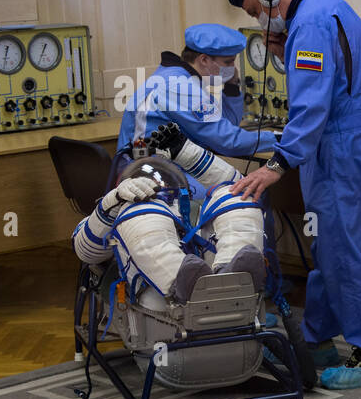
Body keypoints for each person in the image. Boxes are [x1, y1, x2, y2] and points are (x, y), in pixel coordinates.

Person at [224, 0, 361, 389]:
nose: (262, 20)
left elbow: (312, 106)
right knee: (328, 248)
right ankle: (318, 337)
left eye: (254, 10)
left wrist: (278, 163)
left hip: (336, 148)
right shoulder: (329, 7)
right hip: (342, 144)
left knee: (346, 254)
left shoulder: (310, 23)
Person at [75, 124, 264, 304]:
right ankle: (184, 283)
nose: (160, 192)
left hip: (214, 277)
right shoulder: (120, 210)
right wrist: (111, 202)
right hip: (158, 293)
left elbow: (240, 187)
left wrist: (188, 153)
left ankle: (235, 277)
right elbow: (85, 251)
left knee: (238, 197)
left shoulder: (194, 210)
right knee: (141, 214)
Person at [117, 24, 273, 160]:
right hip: (146, 170)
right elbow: (228, 141)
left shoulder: (181, 77)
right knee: (242, 192)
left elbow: (224, 126)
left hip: (160, 163)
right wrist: (282, 138)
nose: (232, 68)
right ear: (204, 59)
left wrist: (232, 86)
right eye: (228, 62)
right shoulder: (180, 87)